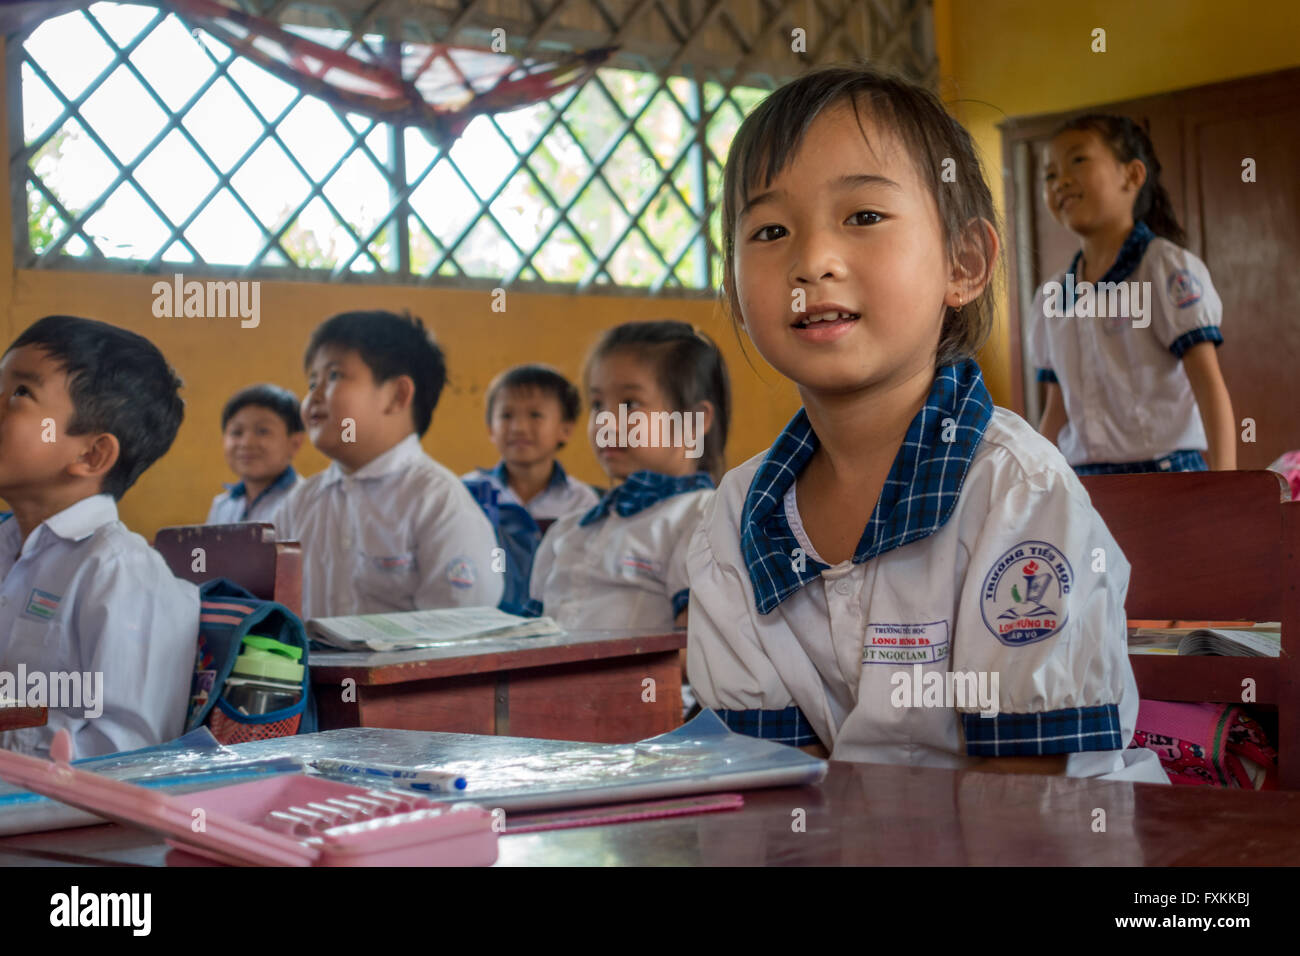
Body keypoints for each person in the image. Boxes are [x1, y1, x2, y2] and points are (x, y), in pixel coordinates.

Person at [686, 66, 1165, 781]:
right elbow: (775, 795)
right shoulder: (735, 519)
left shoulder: (1018, 495)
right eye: (770, 230)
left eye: (864, 217)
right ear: (731, 285)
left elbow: (1027, 806)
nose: (811, 260)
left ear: (963, 263)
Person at [0, 316, 199, 758]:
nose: (3, 401)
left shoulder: (119, 570)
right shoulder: (6, 546)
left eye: (20, 394)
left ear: (91, 455)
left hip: (53, 816)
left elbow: (128, 754)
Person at [1029, 113, 1234, 474]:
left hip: (1167, 476)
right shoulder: (1055, 294)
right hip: (1085, 486)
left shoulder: (1163, 269)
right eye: (1049, 174)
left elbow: (1208, 386)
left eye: (1078, 160)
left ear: (1132, 175)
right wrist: (1033, 482)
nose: (1060, 181)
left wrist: (1227, 489)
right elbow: (1057, 409)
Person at [273, 310, 501, 618]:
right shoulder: (299, 503)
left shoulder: (438, 502)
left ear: (397, 395)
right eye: (312, 380)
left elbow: (460, 632)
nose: (313, 395)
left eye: (334, 376)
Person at [528, 320, 729, 635]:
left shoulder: (703, 519)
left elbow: (693, 654)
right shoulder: (568, 530)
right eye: (597, 405)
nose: (606, 422)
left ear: (694, 420)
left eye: (630, 405)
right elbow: (528, 640)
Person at [205, 383, 303, 523]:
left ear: (294, 443)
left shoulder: (306, 504)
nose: (246, 443)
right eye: (236, 432)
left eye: (263, 431)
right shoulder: (222, 506)